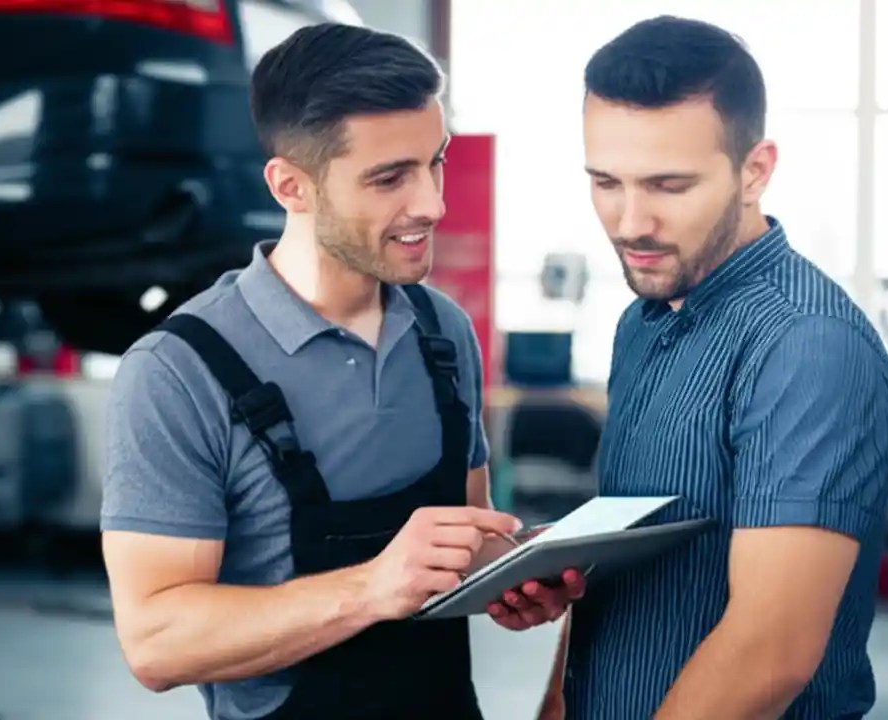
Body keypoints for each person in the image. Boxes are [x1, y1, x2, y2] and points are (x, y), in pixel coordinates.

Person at [100, 22, 585, 720]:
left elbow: (465, 539)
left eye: (435, 162)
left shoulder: (441, 333)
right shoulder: (178, 373)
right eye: (390, 178)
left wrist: (512, 573)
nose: (432, 204)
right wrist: (371, 587)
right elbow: (156, 643)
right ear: (291, 185)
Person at [536, 15, 888, 719]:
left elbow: (770, 651)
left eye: (669, 185)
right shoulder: (644, 320)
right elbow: (621, 568)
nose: (629, 222)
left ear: (756, 170)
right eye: (605, 182)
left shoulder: (808, 346)